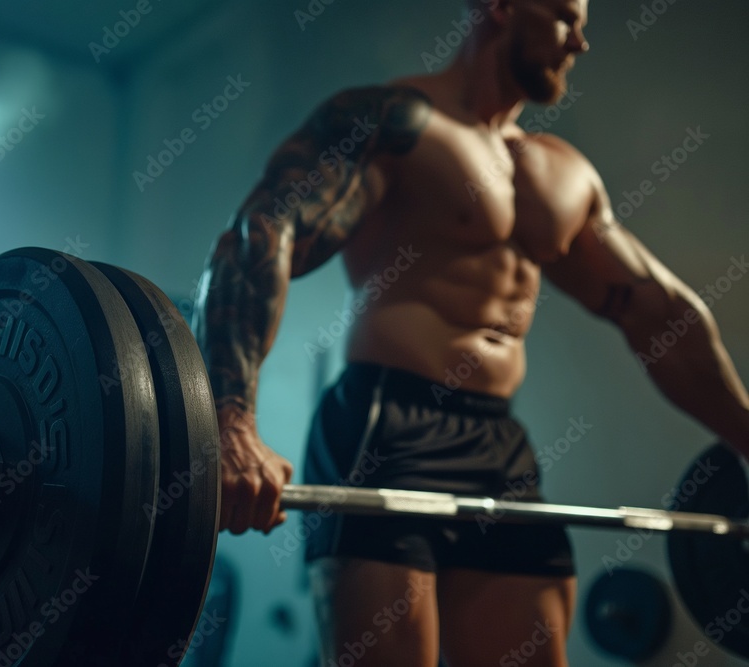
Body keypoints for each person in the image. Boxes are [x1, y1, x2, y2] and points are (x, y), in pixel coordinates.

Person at [193, 0, 749, 664]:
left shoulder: (560, 173)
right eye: (567, 17)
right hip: (383, 427)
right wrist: (229, 418)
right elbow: (263, 235)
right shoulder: (393, 122)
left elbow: (658, 315)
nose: (582, 42)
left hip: (497, 442)